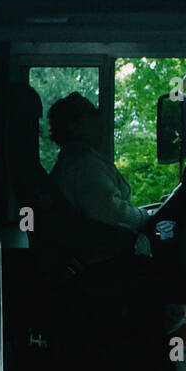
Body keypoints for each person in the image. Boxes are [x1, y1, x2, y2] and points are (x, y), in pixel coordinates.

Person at [47, 92, 155, 257]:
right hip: (99, 260)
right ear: (73, 126)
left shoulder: (74, 160)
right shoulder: (83, 164)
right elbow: (112, 212)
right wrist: (145, 217)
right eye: (91, 114)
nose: (98, 119)